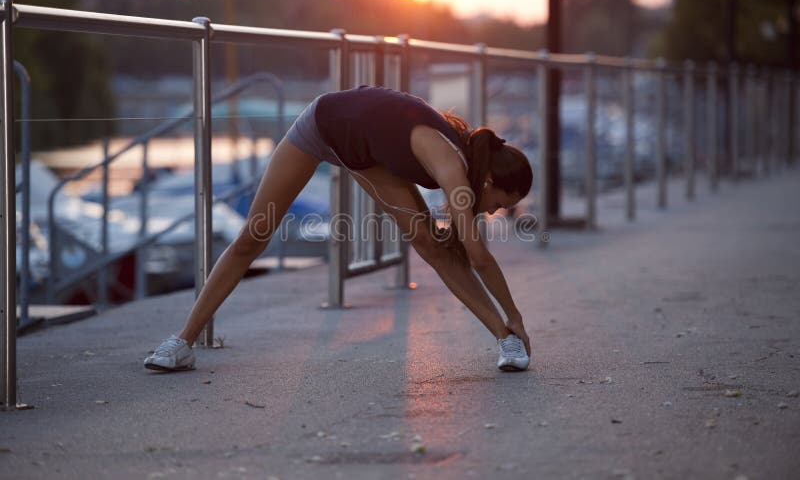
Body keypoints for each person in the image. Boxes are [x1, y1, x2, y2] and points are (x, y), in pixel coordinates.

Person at [144, 86, 533, 372]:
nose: (495, 212)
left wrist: (510, 322)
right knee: (253, 236)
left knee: (433, 248)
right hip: (320, 124)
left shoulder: (461, 166)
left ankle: (505, 342)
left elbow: (468, 253)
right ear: (488, 184)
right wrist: (516, 312)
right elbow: (479, 257)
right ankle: (182, 341)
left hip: (368, 158)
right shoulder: (452, 165)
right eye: (499, 204)